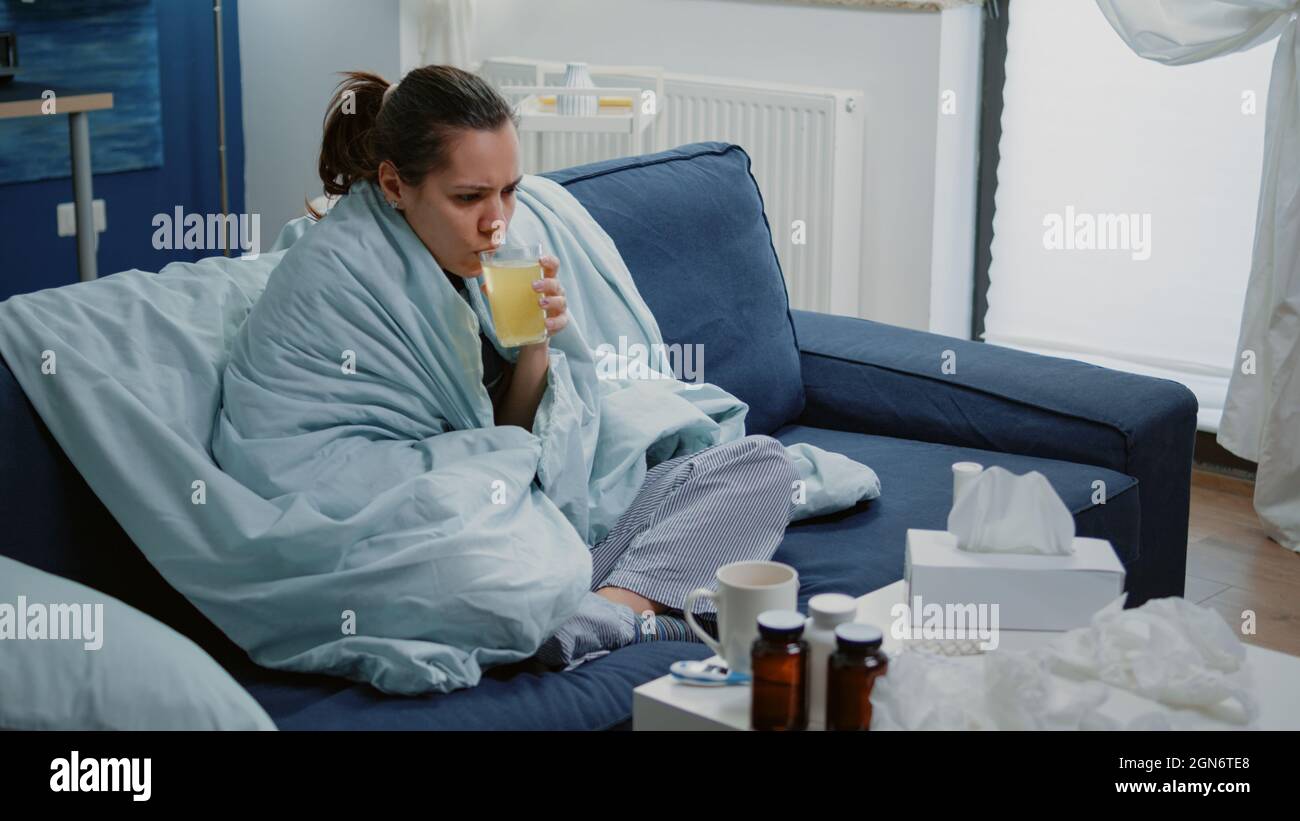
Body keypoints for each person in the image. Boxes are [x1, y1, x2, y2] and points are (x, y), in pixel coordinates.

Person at [308, 65, 800, 671]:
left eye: (509, 191)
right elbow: (400, 487)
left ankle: (607, 612)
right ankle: (624, 612)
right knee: (468, 579)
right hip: (470, 536)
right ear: (394, 184)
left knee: (759, 466)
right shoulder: (350, 277)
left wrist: (539, 346)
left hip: (538, 522)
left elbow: (516, 440)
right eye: (469, 197)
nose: (497, 221)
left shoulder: (475, 266)